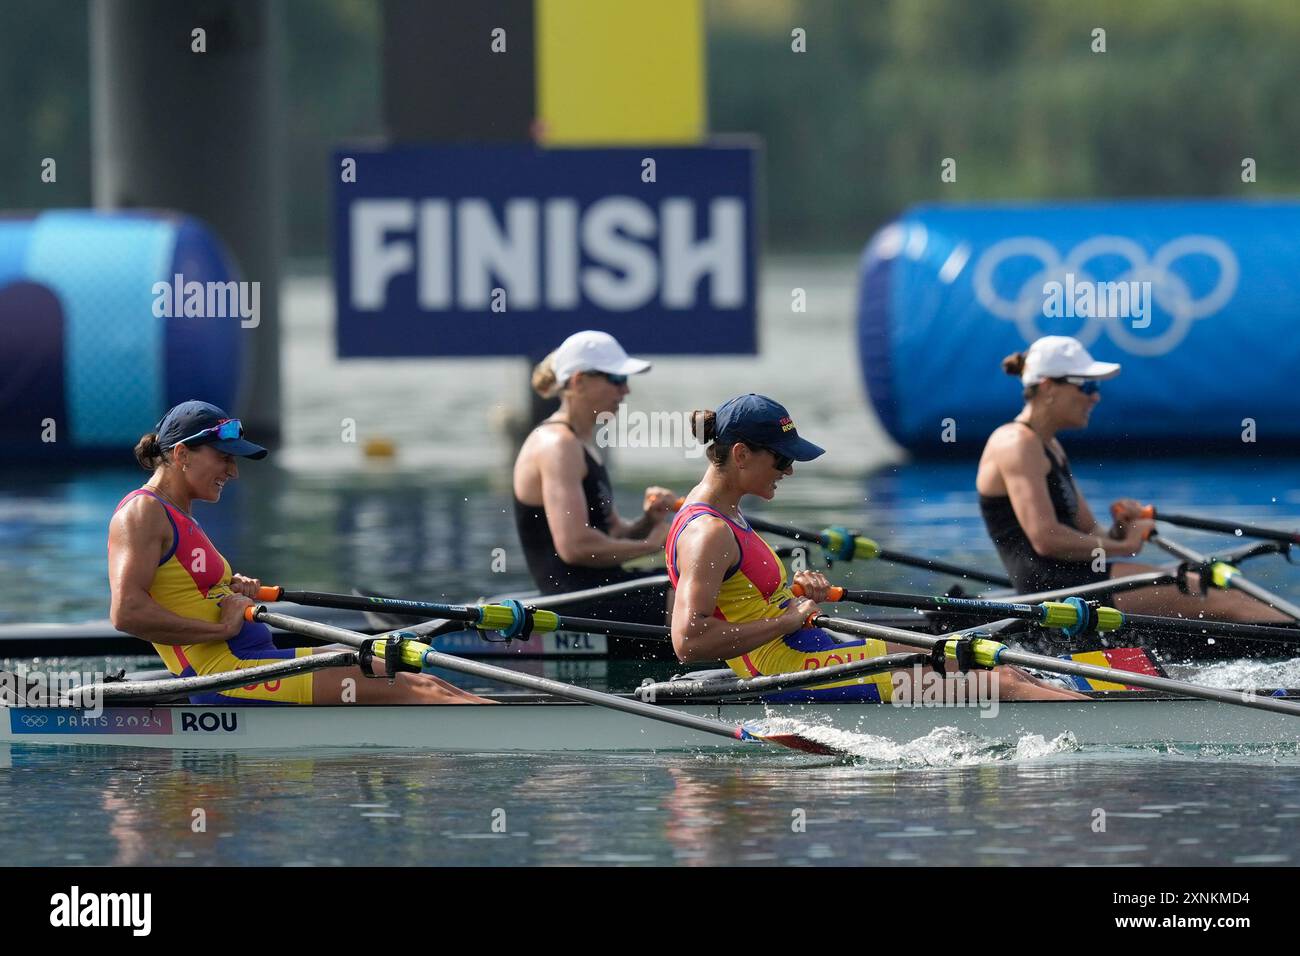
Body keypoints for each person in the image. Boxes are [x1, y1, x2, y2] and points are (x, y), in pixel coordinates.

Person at [667, 393, 1081, 701]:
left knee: (985, 657)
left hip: (809, 652)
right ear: (740, 454)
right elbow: (689, 642)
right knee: (1002, 683)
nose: (789, 470)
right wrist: (785, 621)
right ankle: (1119, 730)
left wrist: (793, 596)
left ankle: (1098, 709)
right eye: (781, 459)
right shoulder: (708, 533)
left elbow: (740, 600)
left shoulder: (727, 517)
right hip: (786, 672)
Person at [109, 400, 488, 705]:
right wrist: (221, 627)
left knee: (421, 678)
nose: (233, 471)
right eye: (224, 457)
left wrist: (232, 588)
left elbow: (184, 593)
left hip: (253, 663)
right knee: (424, 693)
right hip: (228, 676)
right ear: (182, 454)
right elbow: (127, 612)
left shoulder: (179, 514)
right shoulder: (143, 512)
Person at [976, 336, 1288, 621]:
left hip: (1079, 576)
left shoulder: (1050, 445)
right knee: (1224, 602)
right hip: (1052, 589)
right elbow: (1047, 539)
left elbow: (1089, 530)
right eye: (1086, 386)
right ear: (1047, 387)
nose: (1095, 397)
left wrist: (1119, 530)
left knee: (1223, 590)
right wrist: (1123, 546)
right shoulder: (1016, 443)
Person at [512, 330, 676, 625]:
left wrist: (647, 522)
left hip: (603, 587)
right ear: (579, 381)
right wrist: (652, 546)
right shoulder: (557, 445)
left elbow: (609, 533)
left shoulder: (583, 443)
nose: (625, 390)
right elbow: (576, 546)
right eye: (616, 379)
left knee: (712, 584)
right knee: (703, 595)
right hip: (574, 603)